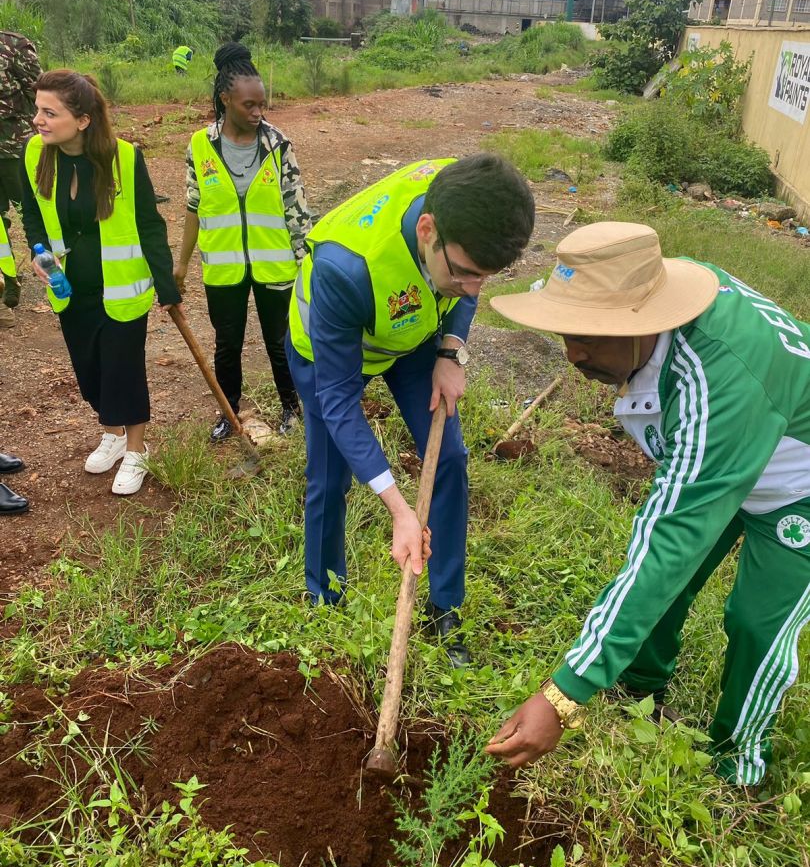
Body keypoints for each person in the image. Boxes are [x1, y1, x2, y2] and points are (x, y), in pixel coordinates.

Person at [486, 221, 810, 786]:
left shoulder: (719, 382)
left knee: (758, 623)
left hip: (797, 485)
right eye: (569, 330)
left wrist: (565, 693)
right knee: (670, 580)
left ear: (645, 321)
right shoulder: (649, 292)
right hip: (732, 451)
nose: (574, 351)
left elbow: (668, 543)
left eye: (592, 333)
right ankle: (640, 690)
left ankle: (738, 767)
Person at [287, 153, 535, 665]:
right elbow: (338, 398)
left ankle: (445, 608)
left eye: (485, 278)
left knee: (448, 459)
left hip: (415, 334)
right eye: (465, 273)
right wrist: (400, 510)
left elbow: (466, 287)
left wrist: (450, 349)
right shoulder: (346, 267)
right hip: (332, 352)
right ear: (427, 230)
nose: (474, 290)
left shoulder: (464, 193)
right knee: (331, 478)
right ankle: (325, 601)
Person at [20, 70, 181, 496]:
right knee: (89, 371)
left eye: (49, 112)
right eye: (38, 109)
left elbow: (149, 224)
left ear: (83, 120)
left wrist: (166, 285)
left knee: (123, 371)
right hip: (68, 289)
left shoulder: (124, 158)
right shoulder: (36, 152)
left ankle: (136, 449)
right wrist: (38, 251)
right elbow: (32, 214)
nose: (38, 119)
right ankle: (110, 434)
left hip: (122, 289)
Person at [175, 42, 312, 440]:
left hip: (276, 266)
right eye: (249, 105)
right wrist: (182, 264)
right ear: (225, 99)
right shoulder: (200, 146)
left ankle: (291, 409)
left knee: (280, 343)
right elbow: (192, 207)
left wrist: (306, 262)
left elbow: (296, 207)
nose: (258, 113)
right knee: (227, 344)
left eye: (262, 105)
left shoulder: (277, 144)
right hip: (223, 267)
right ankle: (228, 413)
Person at [0, 30, 41, 329]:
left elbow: (39, 94)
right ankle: (8, 281)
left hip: (16, 150)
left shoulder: (13, 46)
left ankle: (56, 273)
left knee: (33, 211)